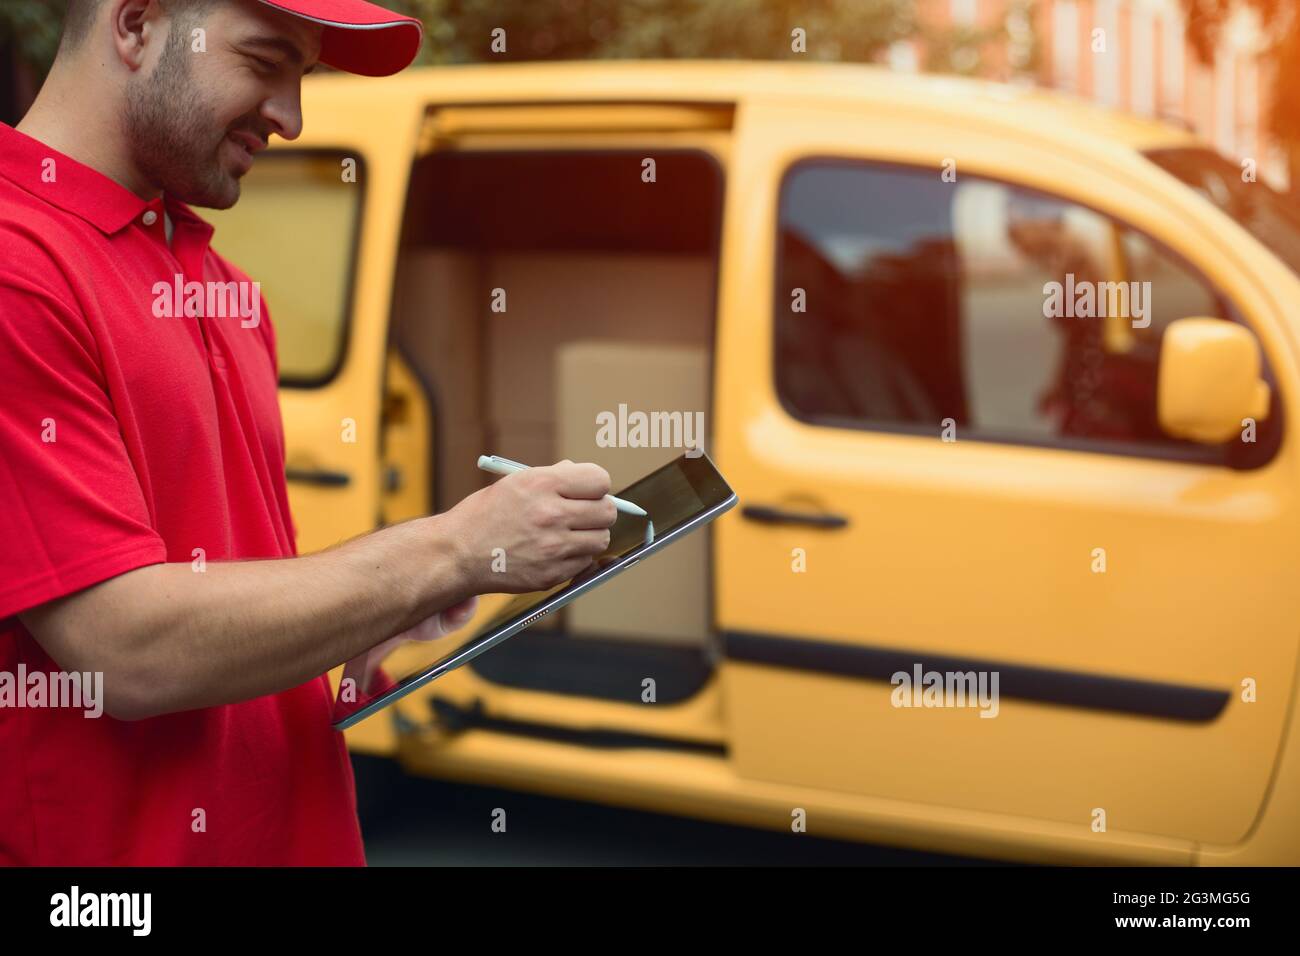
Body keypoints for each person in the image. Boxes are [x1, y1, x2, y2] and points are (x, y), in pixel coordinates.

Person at [0, 0, 618, 865]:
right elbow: (126, 651)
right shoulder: (16, 269)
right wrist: (450, 550)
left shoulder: (226, 290)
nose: (292, 119)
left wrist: (358, 610)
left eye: (305, 78)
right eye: (264, 62)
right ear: (136, 24)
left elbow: (210, 568)